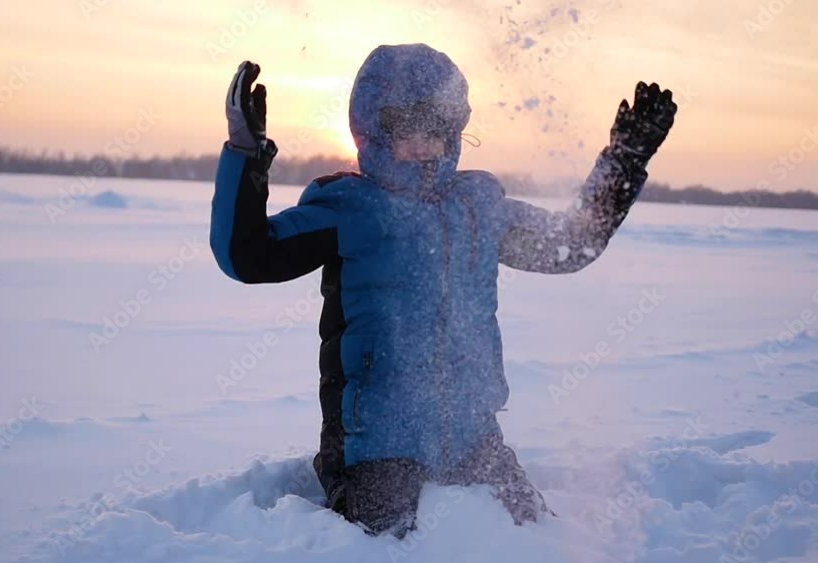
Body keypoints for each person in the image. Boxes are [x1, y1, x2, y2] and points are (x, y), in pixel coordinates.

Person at [211, 43, 676, 536]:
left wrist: (625, 160)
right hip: (374, 444)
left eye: (436, 129)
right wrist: (246, 153)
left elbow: (571, 244)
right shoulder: (351, 208)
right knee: (385, 545)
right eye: (405, 129)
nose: (423, 145)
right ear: (372, 130)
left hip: (473, 439)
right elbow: (248, 256)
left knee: (533, 534)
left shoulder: (478, 207)